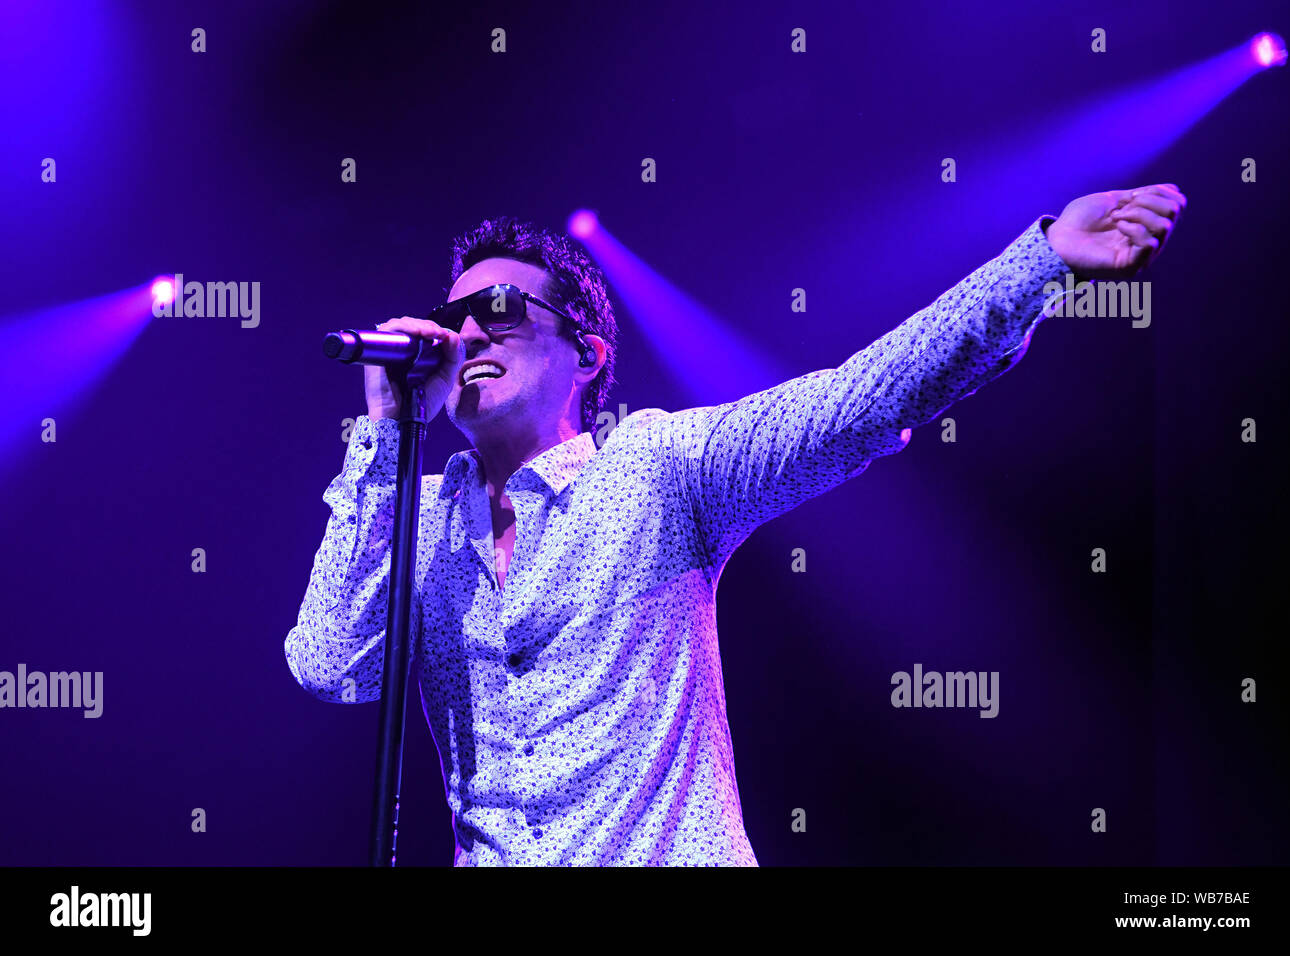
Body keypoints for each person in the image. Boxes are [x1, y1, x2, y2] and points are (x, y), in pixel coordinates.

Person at [285, 186, 1186, 865]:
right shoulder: (421, 522)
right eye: (452, 320)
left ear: (587, 354)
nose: (468, 334)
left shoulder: (660, 468)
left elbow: (860, 402)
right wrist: (384, 436)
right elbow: (330, 665)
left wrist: (1038, 262)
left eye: (500, 311)